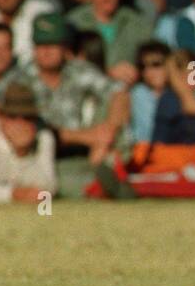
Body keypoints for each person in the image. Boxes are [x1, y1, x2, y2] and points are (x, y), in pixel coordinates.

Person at [8, 13, 131, 199]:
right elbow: (26, 128)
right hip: (39, 155)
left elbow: (119, 93)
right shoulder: (21, 78)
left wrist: (108, 132)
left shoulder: (78, 70)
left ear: (65, 47)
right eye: (41, 46)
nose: (46, 51)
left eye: (53, 45)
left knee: (111, 106)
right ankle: (100, 186)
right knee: (60, 180)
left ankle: (106, 173)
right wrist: (86, 137)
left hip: (85, 152)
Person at [67, 0, 155, 87]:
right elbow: (66, 67)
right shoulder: (74, 23)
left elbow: (152, 60)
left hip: (128, 91)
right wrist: (107, 73)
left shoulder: (137, 23)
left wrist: (139, 72)